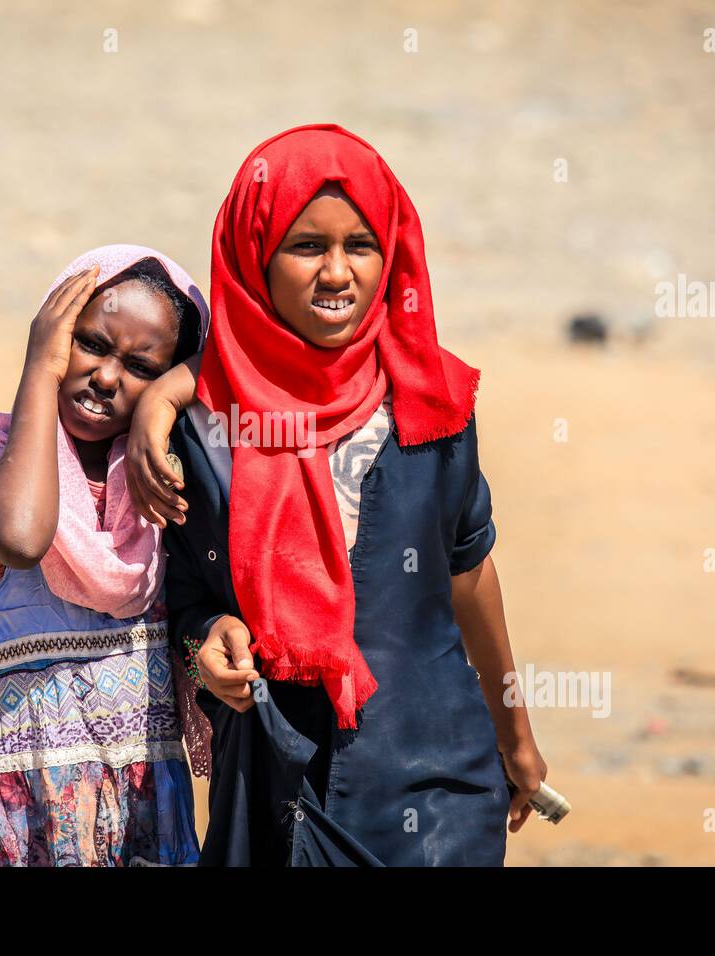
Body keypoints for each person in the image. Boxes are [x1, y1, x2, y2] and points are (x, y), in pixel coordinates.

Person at [124, 125, 548, 865]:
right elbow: (187, 600)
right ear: (256, 255)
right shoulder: (201, 428)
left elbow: (470, 575)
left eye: (361, 245)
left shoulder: (430, 404)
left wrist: (515, 735)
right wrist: (205, 649)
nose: (337, 273)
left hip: (437, 789)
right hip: (273, 799)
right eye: (307, 246)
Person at [0, 244, 208, 866]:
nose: (106, 377)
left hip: (139, 820)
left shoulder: (165, 486)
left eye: (140, 367)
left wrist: (165, 410)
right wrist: (39, 371)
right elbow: (22, 537)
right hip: (7, 826)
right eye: (91, 345)